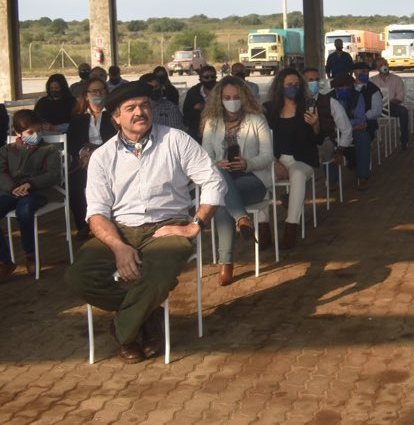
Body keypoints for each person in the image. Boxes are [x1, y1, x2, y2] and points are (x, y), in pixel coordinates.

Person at [64, 83, 226, 363]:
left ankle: (124, 331)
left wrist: (195, 225)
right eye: (130, 108)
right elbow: (97, 213)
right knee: (78, 277)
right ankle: (148, 313)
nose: (140, 112)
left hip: (167, 226)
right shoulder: (103, 156)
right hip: (120, 228)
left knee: (159, 272)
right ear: (116, 117)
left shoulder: (176, 140)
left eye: (144, 106)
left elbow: (213, 180)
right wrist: (119, 248)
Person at [200, 76, 273, 286]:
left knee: (220, 196)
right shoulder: (212, 122)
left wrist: (247, 163)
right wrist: (218, 164)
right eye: (227, 97)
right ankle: (242, 218)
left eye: (236, 97)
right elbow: (205, 157)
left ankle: (226, 263)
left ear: (244, 97)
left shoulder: (256, 119)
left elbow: (268, 156)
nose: (232, 101)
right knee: (221, 191)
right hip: (224, 178)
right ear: (219, 99)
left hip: (253, 180)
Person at [0, 110, 63, 281]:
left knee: (25, 210)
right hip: (11, 191)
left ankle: (30, 254)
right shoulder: (7, 150)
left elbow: (53, 174)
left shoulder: (49, 149)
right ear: (18, 133)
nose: (36, 135)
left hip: (38, 191)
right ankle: (4, 261)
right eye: (30, 132)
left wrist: (30, 184)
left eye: (39, 130)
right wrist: (13, 187)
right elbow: (1, 172)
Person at [263, 68, 320, 248]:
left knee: (297, 174)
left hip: (302, 160)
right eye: (289, 84)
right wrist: (274, 162)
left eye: (296, 84)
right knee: (261, 174)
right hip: (276, 160)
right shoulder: (269, 109)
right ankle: (263, 228)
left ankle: (291, 227)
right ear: (280, 86)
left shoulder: (307, 107)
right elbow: (262, 140)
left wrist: (315, 124)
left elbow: (318, 139)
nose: (293, 88)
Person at [68, 77, 117, 239]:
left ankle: (109, 221)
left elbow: (117, 138)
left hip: (108, 157)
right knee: (75, 181)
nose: (98, 94)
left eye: (102, 90)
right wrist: (83, 152)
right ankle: (84, 225)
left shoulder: (114, 114)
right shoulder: (78, 117)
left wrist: (96, 154)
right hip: (84, 158)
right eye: (94, 91)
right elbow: (71, 141)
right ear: (86, 95)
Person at [334, 64, 383, 190]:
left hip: (361, 126)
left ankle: (363, 176)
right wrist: (346, 126)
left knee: (364, 137)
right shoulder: (331, 98)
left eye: (347, 86)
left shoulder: (363, 94)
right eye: (341, 86)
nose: (344, 88)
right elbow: (329, 120)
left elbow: (362, 117)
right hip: (336, 130)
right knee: (328, 143)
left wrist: (347, 126)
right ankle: (332, 180)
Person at [371, 57, 410, 150]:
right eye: (381, 65)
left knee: (403, 111)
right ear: (377, 68)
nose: (384, 67)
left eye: (385, 64)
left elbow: (400, 96)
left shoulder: (397, 79)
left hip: (391, 106)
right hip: (375, 108)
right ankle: (370, 139)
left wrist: (390, 103)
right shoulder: (372, 81)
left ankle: (404, 140)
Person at [183, 65, 217, 139]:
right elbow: (187, 114)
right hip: (197, 127)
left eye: (212, 77)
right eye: (206, 77)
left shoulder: (222, 90)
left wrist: (204, 107)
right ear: (200, 79)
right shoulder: (193, 92)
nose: (210, 79)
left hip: (219, 126)